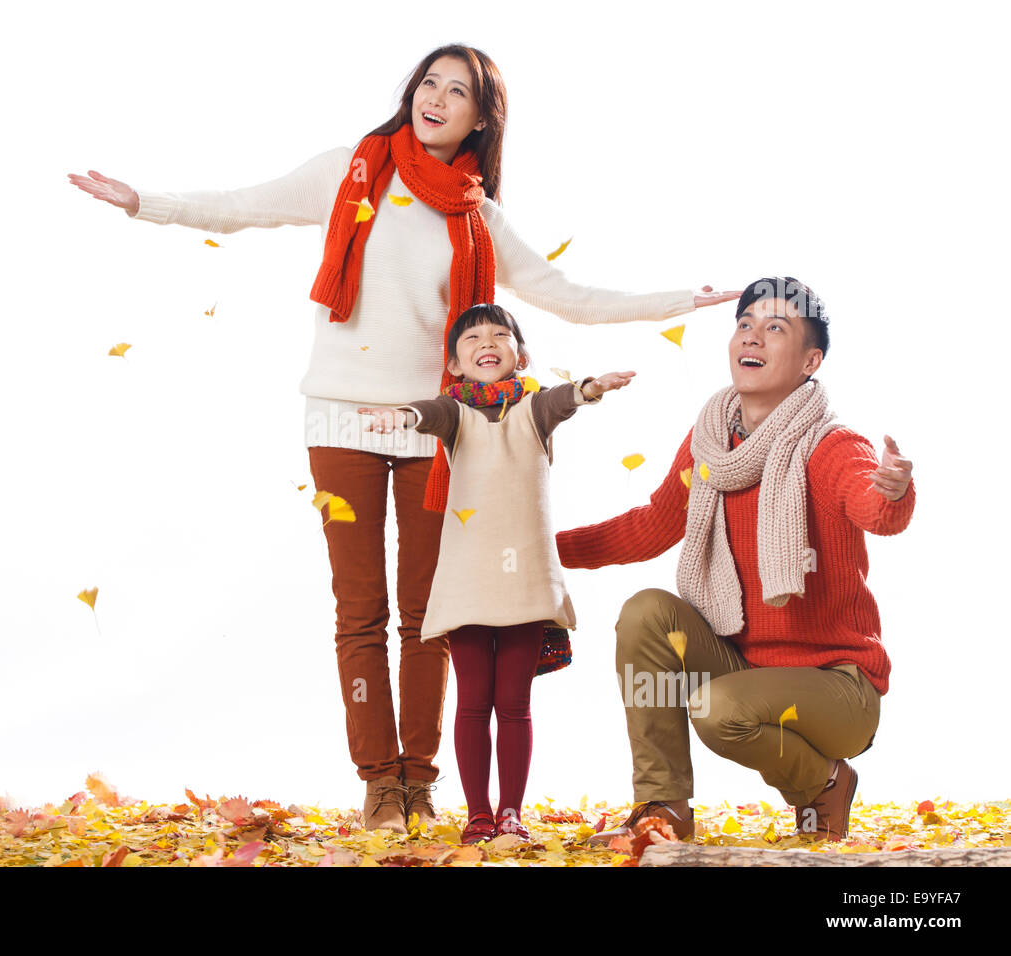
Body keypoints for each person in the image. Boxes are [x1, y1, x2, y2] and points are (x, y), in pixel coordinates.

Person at [69, 43, 739, 834]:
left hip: (437, 428)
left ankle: (420, 779)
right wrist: (141, 200)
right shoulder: (353, 169)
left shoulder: (478, 215)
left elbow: (566, 295)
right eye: (430, 83)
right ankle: (378, 781)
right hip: (339, 419)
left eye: (458, 92)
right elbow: (245, 205)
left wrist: (677, 301)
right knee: (360, 612)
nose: (437, 99)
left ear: (480, 118)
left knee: (431, 613)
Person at [555, 277, 916, 843]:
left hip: (837, 686)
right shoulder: (710, 443)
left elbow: (872, 505)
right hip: (747, 669)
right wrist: (543, 554)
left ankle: (825, 783)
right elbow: (652, 525)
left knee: (716, 708)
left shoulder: (830, 444)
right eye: (745, 324)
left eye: (777, 328)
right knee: (647, 612)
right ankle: (663, 808)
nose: (754, 337)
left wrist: (892, 491)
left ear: (810, 360)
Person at [362, 303, 635, 843]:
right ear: (456, 365)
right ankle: (478, 815)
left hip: (525, 581)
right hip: (468, 581)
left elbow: (562, 399)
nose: (487, 341)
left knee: (513, 704)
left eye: (500, 335)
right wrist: (402, 416)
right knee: (472, 702)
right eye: (472, 338)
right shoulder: (454, 412)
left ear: (520, 354)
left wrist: (588, 388)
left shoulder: (533, 409)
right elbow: (427, 413)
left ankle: (510, 812)